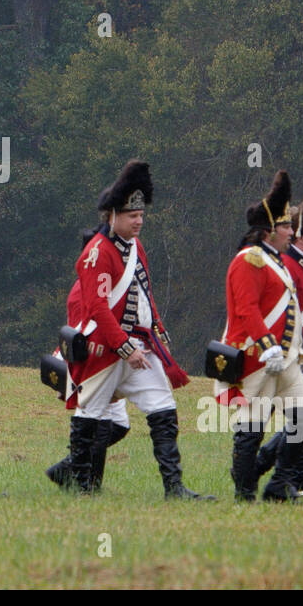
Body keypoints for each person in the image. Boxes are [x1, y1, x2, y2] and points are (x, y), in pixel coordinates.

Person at [69, 161, 209, 499]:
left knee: (163, 408)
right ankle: (82, 488)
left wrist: (156, 328)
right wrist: (124, 348)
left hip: (137, 344)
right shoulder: (97, 254)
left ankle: (174, 488)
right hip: (105, 349)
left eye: (141, 214)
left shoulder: (135, 247)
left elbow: (144, 293)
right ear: (113, 215)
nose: (139, 220)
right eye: (132, 215)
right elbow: (98, 310)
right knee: (88, 415)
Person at [216, 170, 303, 501]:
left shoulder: (276, 260)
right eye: (286, 225)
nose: (292, 230)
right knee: (252, 428)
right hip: (255, 357)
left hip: (284, 358)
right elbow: (246, 310)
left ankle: (278, 485)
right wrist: (267, 346)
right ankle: (244, 493)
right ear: (268, 230)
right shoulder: (251, 259)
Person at [257, 180, 303, 478]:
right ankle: (267, 471)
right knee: (300, 418)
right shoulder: (287, 265)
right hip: (281, 355)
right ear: (301, 237)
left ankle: (281, 474)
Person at [44, 273, 131, 491]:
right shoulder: (96, 283)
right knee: (101, 419)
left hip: (96, 356)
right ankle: (89, 483)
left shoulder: (93, 281)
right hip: (94, 358)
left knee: (116, 423)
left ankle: (68, 471)